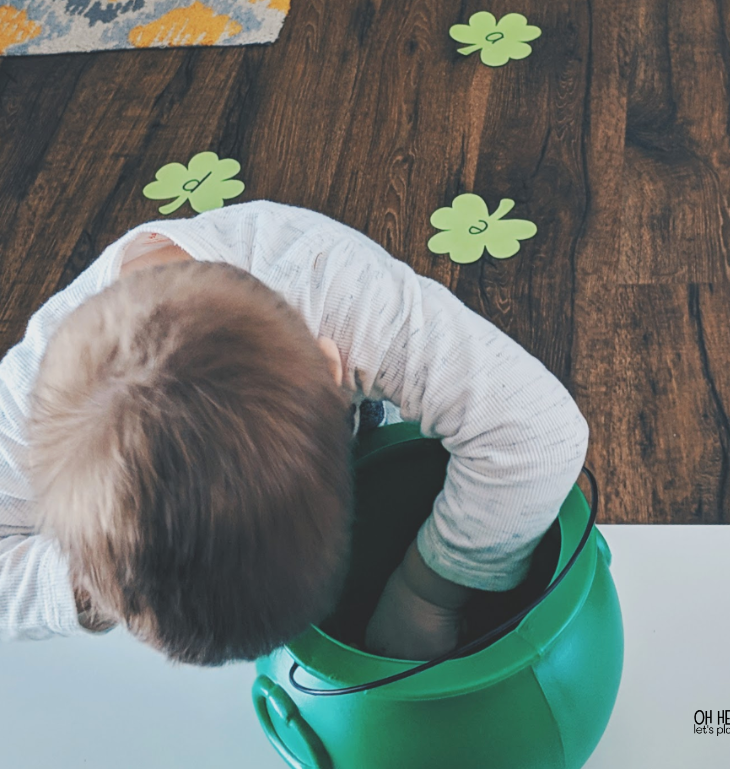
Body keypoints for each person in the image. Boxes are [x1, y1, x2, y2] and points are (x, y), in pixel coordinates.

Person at [0, 201, 589, 664]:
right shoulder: (24, 407)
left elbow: (538, 434)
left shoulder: (329, 282)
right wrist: (98, 577)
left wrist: (426, 592)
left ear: (331, 375)